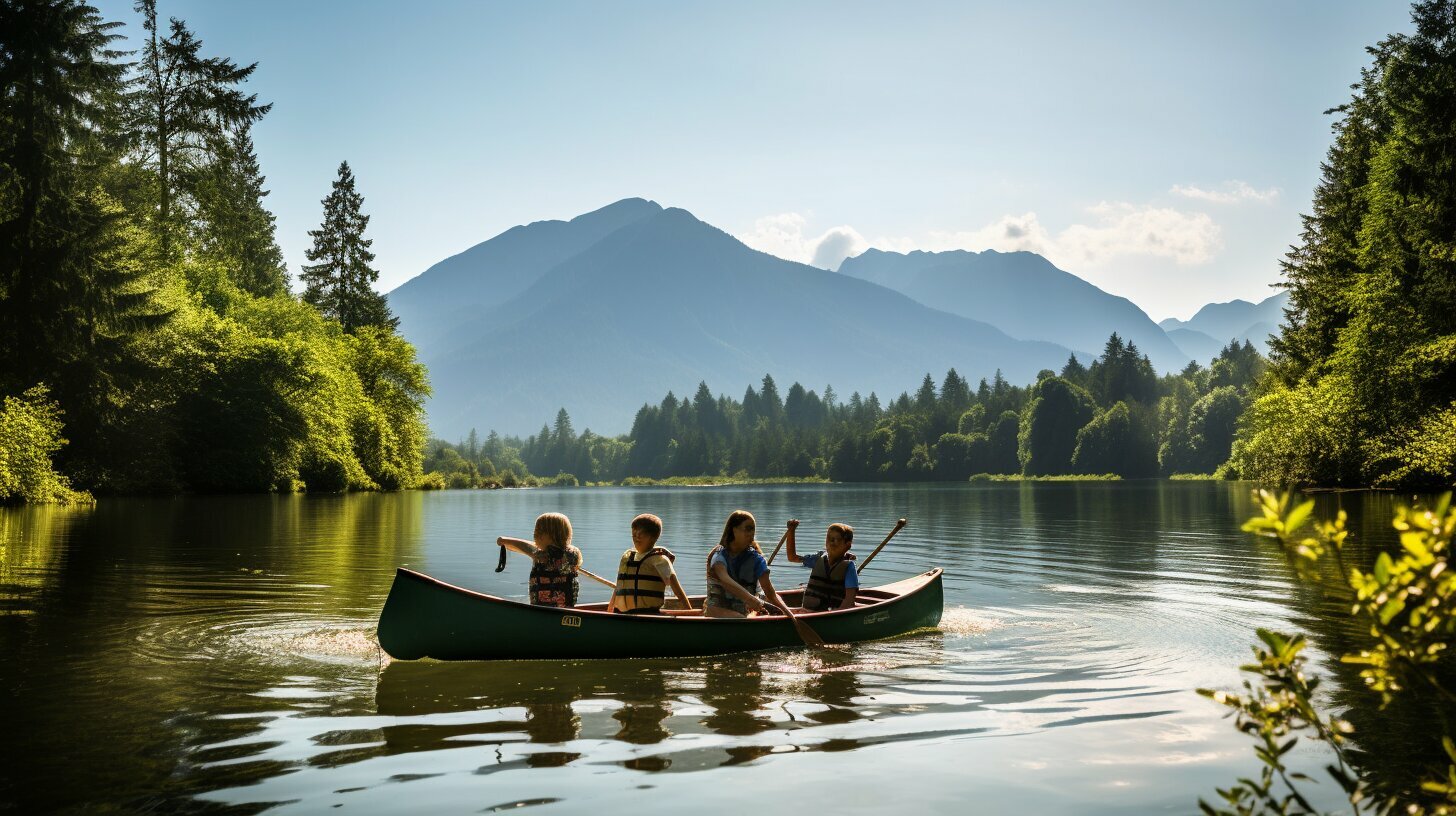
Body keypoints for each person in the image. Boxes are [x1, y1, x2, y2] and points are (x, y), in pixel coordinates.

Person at [703, 510, 793, 618]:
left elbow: (770, 592)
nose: (751, 533)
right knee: (739, 618)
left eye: (753, 529)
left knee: (773, 598)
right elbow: (725, 580)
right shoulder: (719, 555)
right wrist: (751, 600)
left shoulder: (756, 558)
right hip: (718, 611)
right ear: (734, 530)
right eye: (748, 529)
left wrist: (789, 614)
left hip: (745, 613)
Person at [608, 513, 692, 615]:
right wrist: (610, 608)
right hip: (620, 613)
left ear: (653, 537)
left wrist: (689, 612)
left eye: (640, 534)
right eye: (634, 534)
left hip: (647, 614)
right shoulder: (627, 557)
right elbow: (619, 586)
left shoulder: (660, 560)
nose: (636, 537)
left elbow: (677, 591)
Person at [497, 512, 581, 607]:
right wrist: (505, 542)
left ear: (553, 534)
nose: (535, 534)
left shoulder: (549, 556)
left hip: (551, 611)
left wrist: (505, 540)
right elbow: (530, 547)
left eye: (539, 531)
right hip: (556, 609)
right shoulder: (572, 553)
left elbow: (529, 548)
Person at [784, 519, 860, 611]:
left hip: (831, 613)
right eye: (829, 538)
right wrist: (791, 531)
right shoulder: (818, 559)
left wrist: (833, 615)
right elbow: (792, 557)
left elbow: (849, 601)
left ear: (847, 545)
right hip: (808, 610)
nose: (831, 542)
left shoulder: (849, 567)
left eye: (836, 540)